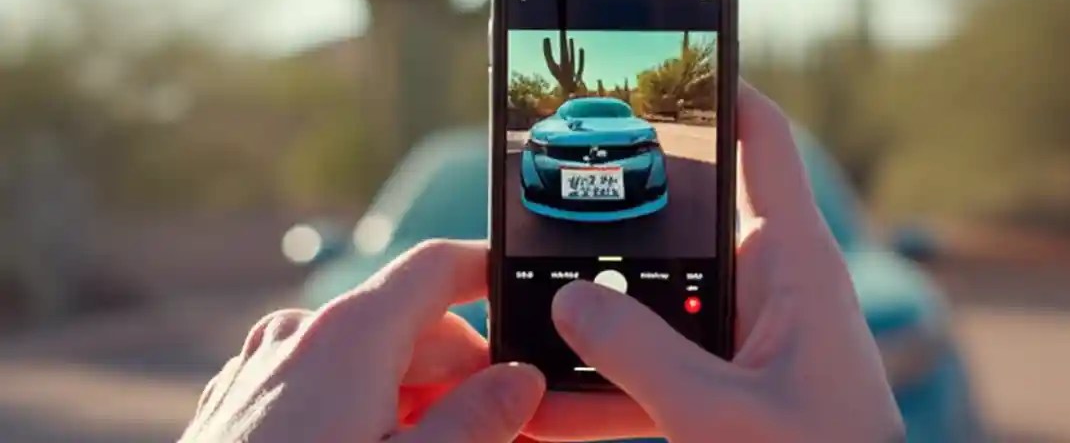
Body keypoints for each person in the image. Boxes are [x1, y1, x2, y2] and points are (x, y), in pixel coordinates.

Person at [180, 84, 904, 442]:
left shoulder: (342, 344)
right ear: (541, 144)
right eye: (564, 152)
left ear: (647, 142)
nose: (595, 158)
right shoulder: (551, 132)